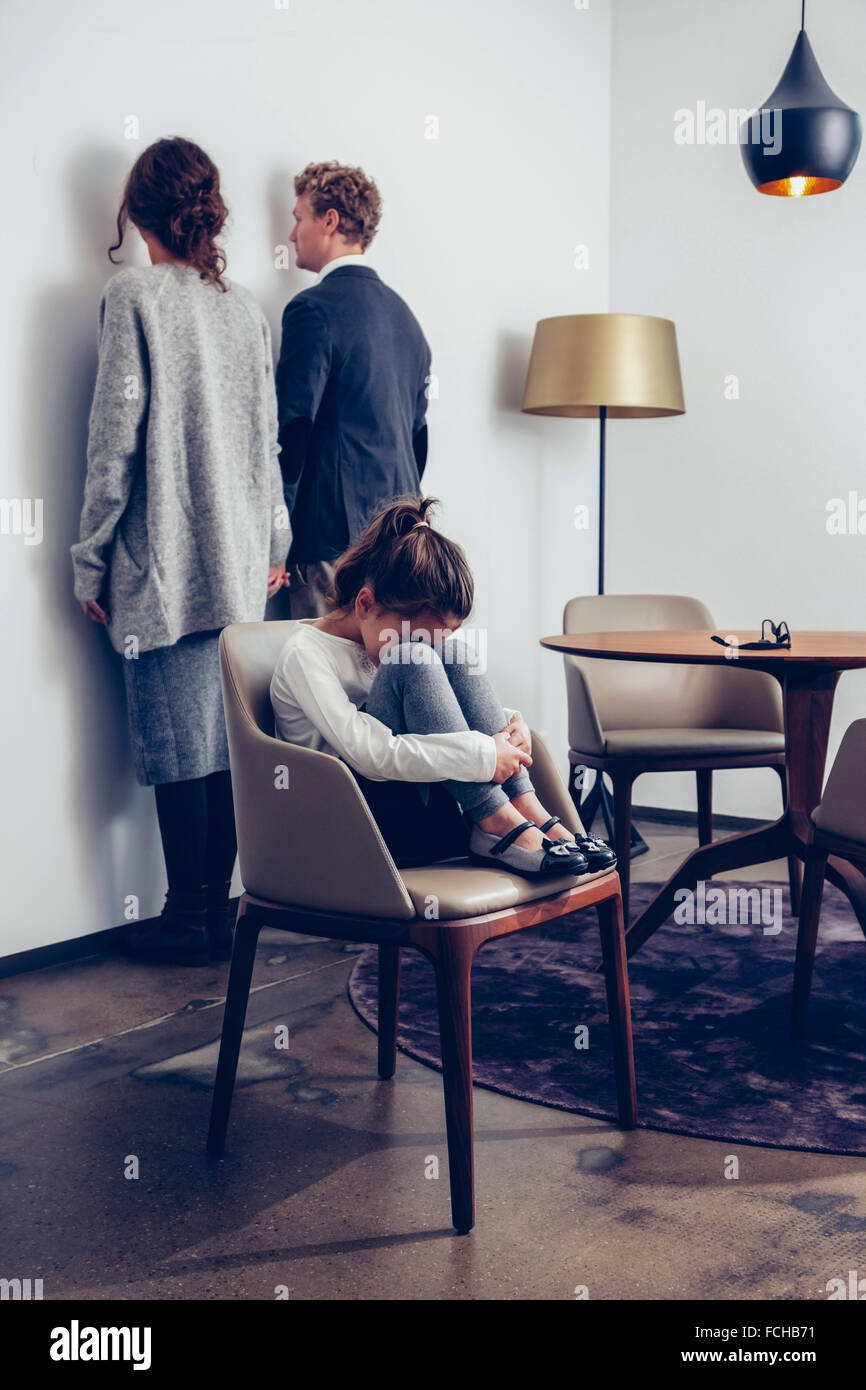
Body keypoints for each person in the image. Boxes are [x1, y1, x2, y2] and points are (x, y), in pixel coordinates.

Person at [71, 136, 291, 966]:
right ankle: (215, 917)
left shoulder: (132, 296)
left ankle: (185, 917)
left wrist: (89, 557)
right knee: (224, 745)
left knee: (176, 747)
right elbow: (267, 442)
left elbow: (112, 443)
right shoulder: (244, 309)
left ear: (139, 209)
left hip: (161, 561)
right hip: (237, 563)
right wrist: (276, 541)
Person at [270, 496, 616, 878]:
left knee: (455, 654)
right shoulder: (307, 654)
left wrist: (507, 726)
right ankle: (496, 821)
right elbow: (369, 755)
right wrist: (486, 752)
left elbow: (428, 706)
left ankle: (525, 809)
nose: (424, 649)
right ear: (365, 604)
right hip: (353, 828)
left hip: (424, 810)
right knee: (411, 663)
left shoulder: (393, 641)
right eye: (416, 638)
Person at [274, 161, 432, 618]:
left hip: (330, 545)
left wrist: (276, 541)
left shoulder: (311, 310)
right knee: (385, 679)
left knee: (319, 683)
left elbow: (292, 433)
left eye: (299, 217)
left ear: (330, 221)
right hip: (400, 545)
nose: (291, 233)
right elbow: (417, 441)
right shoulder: (407, 319)